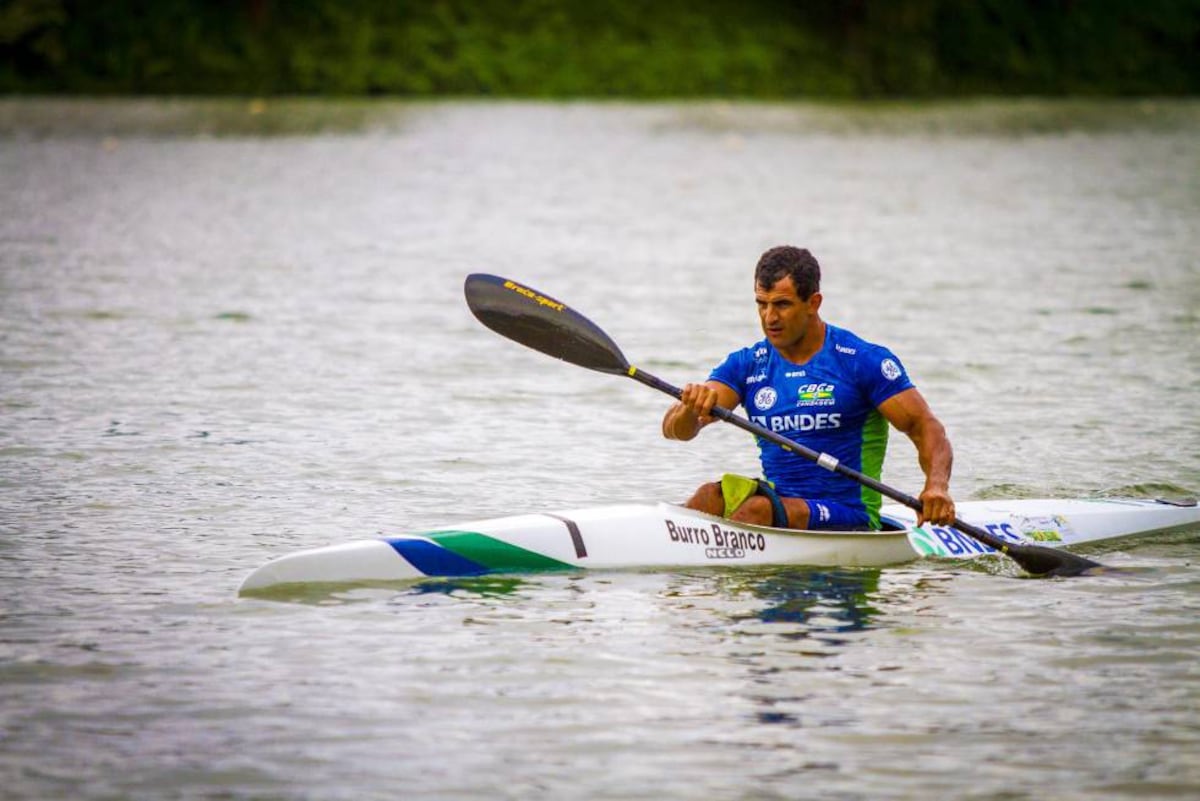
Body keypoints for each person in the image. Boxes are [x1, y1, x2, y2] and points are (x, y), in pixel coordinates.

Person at [661, 245, 955, 531]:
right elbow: (676, 430)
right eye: (762, 304)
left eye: (782, 304)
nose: (769, 318)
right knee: (707, 497)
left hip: (849, 512)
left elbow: (926, 427)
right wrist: (689, 408)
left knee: (756, 510)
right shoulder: (748, 364)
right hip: (781, 504)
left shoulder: (861, 361)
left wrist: (936, 487)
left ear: (814, 303)